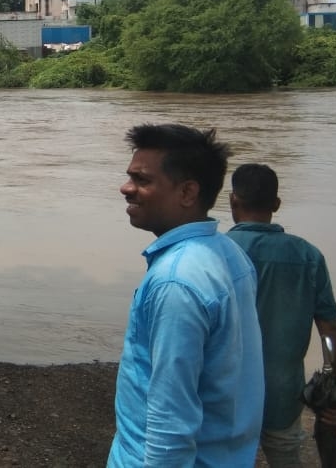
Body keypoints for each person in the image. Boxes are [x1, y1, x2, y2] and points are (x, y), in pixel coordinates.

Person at [108, 123, 264, 467]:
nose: (126, 188)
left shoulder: (175, 282)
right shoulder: (229, 253)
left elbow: (170, 421)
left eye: (142, 180)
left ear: (187, 193)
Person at [227, 163, 336, 467]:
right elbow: (330, 333)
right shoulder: (308, 255)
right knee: (285, 457)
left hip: (226, 393)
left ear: (232, 201)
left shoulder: (217, 252)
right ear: (276, 204)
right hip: (283, 393)